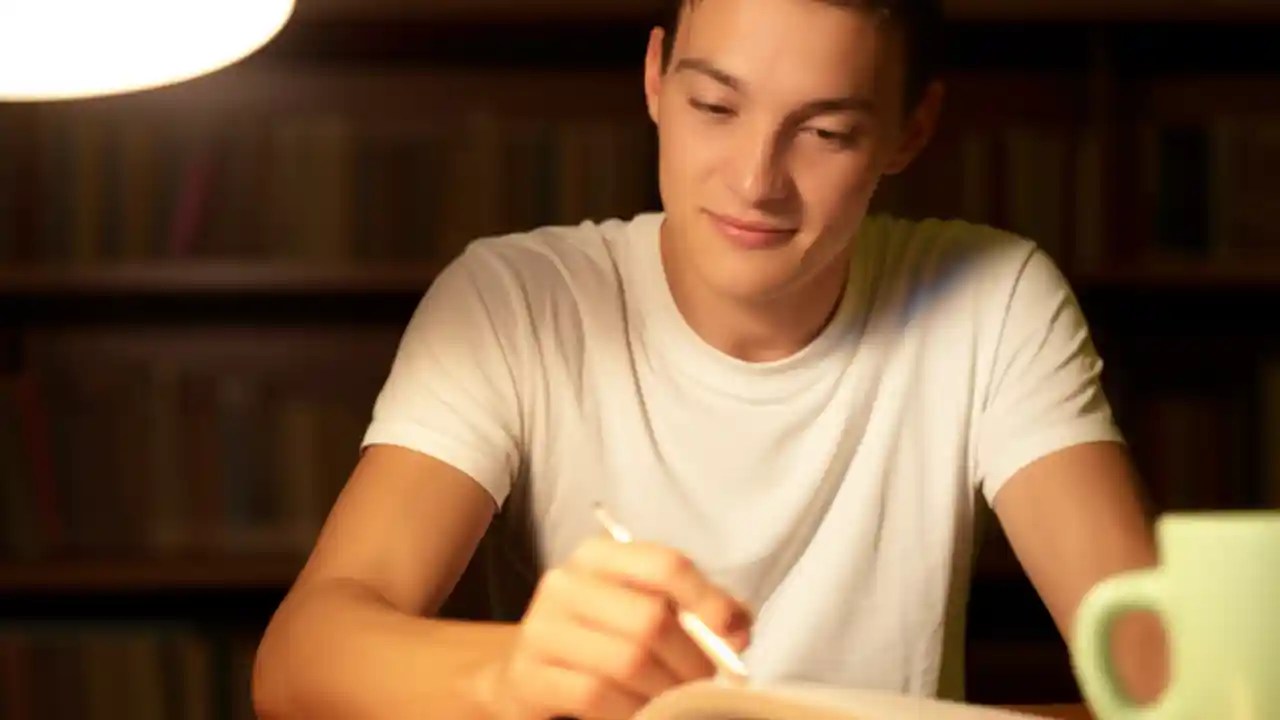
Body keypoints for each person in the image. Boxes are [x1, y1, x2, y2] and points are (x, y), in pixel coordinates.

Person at [252, 1, 1168, 718]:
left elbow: (1159, 675)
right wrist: (518, 673)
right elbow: (300, 663)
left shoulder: (991, 297)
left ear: (910, 130)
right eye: (715, 106)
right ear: (654, 79)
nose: (754, 179)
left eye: (826, 132)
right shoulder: (517, 301)